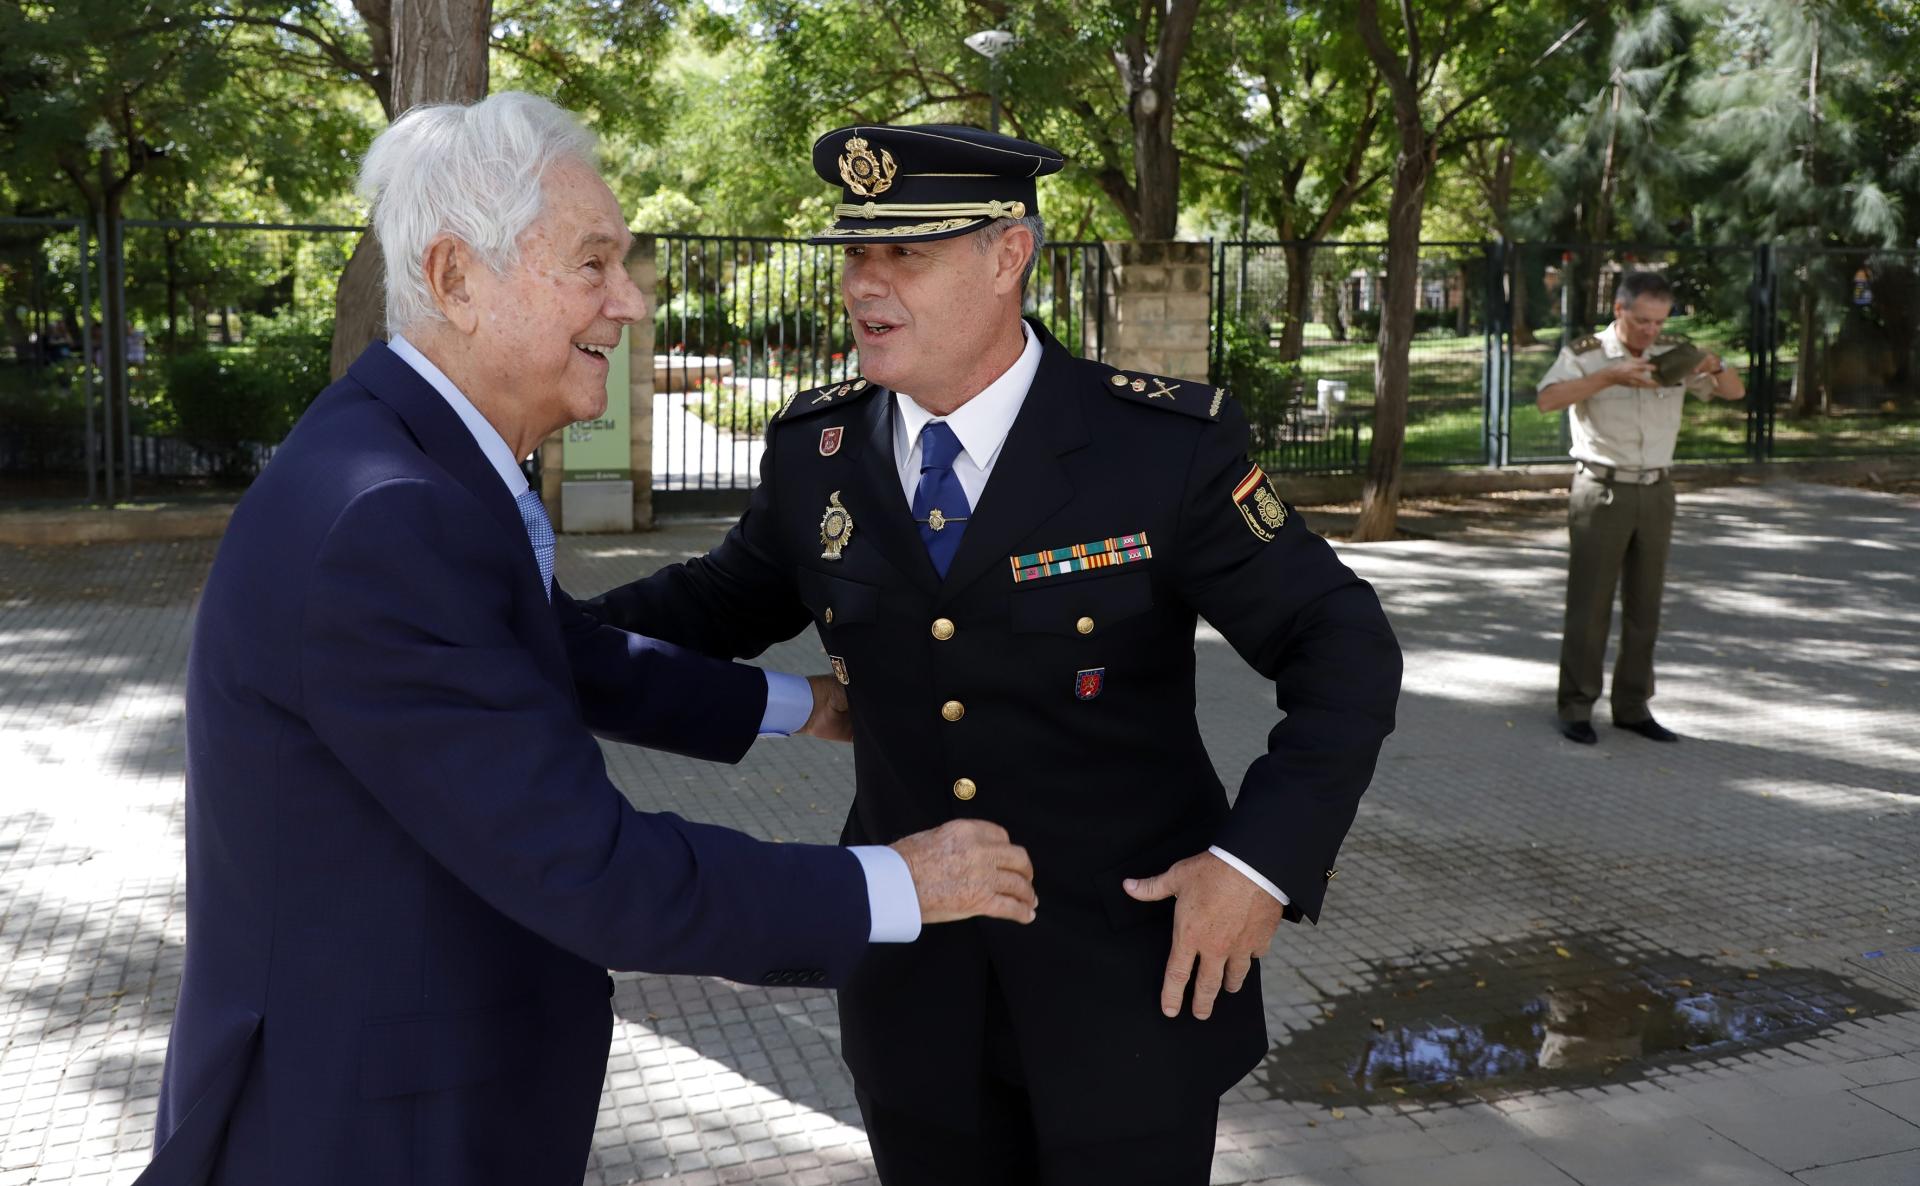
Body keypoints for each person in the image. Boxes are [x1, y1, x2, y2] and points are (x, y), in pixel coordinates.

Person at [135, 95, 1037, 1186]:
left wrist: (800, 706)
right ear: (457, 279)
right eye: (594, 262)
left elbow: (557, 648)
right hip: (370, 1127)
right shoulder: (389, 513)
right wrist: (895, 883)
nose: (631, 299)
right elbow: (590, 868)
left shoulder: (405, 451)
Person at [587, 123, 1402, 1185]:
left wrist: (1257, 863)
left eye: (906, 253)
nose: (863, 283)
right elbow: (699, 609)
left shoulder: (1158, 449)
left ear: (1008, 254)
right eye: (855, 252)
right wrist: (512, 629)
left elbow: (1341, 642)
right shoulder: (816, 454)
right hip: (915, 1007)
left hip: (1127, 994)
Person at [1537, 270, 1746, 745]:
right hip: (1601, 489)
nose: (1651, 331)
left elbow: (1734, 392)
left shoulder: (1673, 354)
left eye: (1659, 322)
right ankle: (1576, 706)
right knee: (1590, 604)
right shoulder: (1586, 353)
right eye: (1643, 321)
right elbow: (1547, 400)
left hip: (1656, 491)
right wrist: (1608, 377)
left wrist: (1715, 363)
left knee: (1645, 605)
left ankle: (1632, 706)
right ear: (1619, 310)